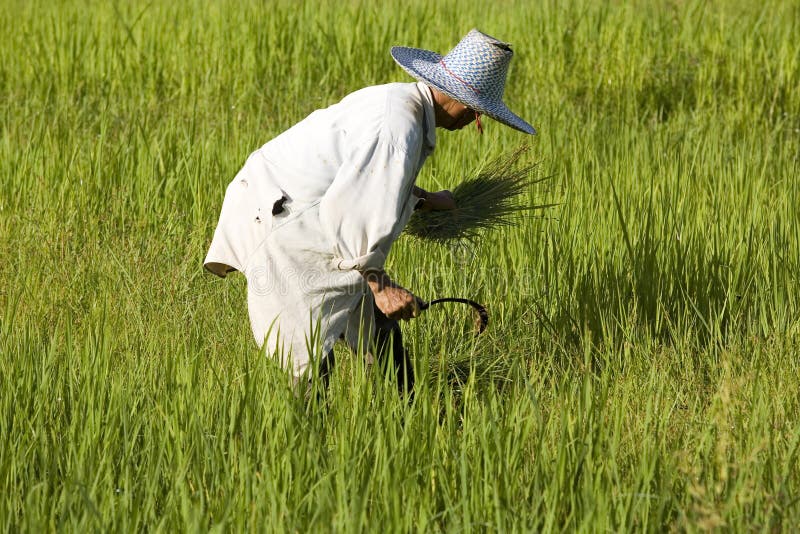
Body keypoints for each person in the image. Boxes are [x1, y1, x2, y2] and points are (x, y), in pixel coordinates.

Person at [204, 29, 535, 392]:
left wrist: (424, 199)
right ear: (463, 103)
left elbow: (359, 179)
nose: (474, 123)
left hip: (294, 208)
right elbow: (352, 210)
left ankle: (408, 418)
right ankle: (301, 438)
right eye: (476, 112)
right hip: (286, 223)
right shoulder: (398, 127)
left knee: (378, 330)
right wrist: (381, 286)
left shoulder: (398, 102)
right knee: (312, 353)